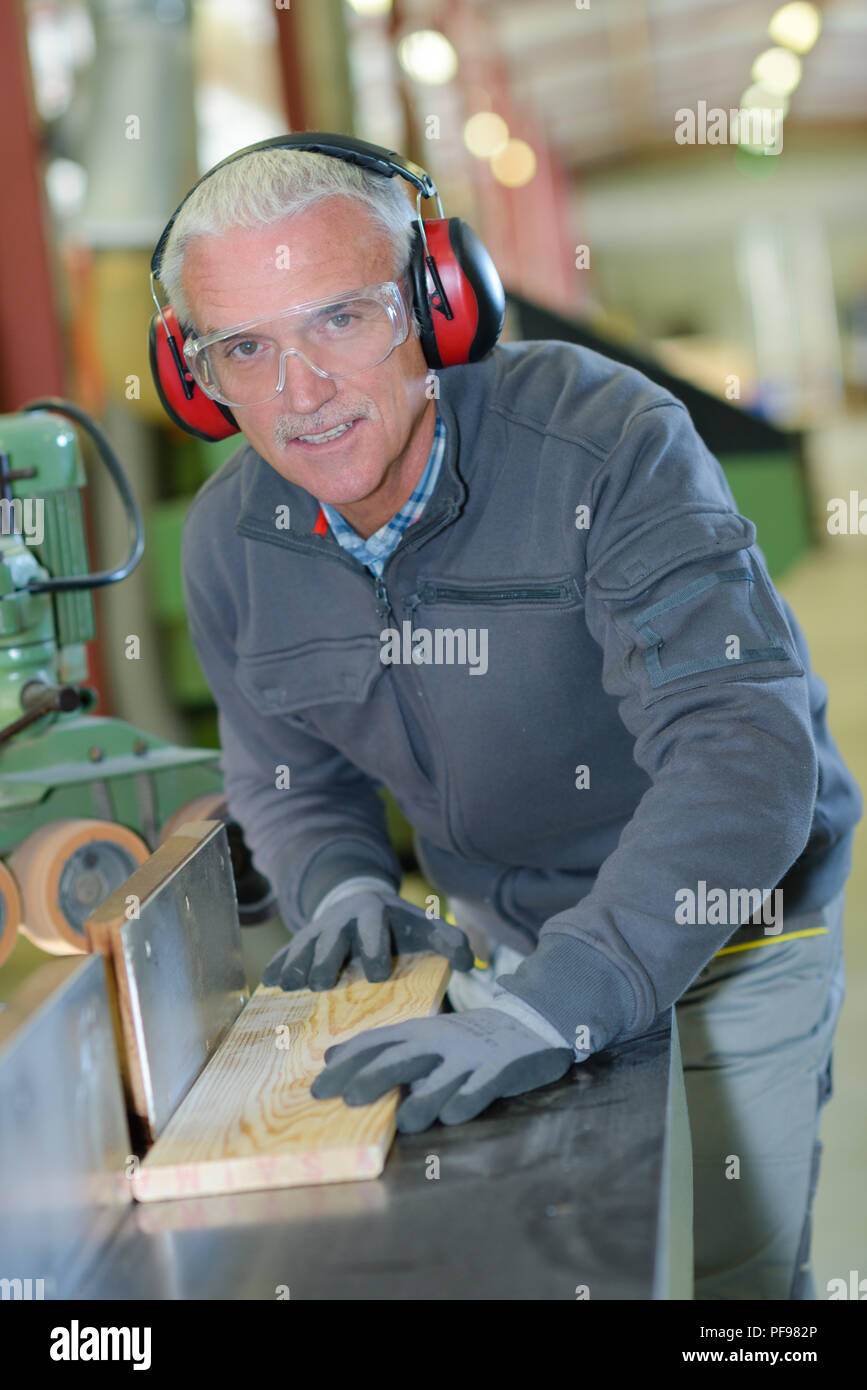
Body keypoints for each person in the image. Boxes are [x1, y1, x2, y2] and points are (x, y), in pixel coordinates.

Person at [159, 138, 862, 1300]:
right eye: (247, 347)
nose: (300, 392)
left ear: (437, 304)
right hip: (507, 949)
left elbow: (744, 753)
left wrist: (559, 1003)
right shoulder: (231, 542)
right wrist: (340, 885)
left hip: (733, 940)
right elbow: (288, 772)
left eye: (341, 318)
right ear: (196, 377)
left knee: (735, 1290)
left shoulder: (603, 441)